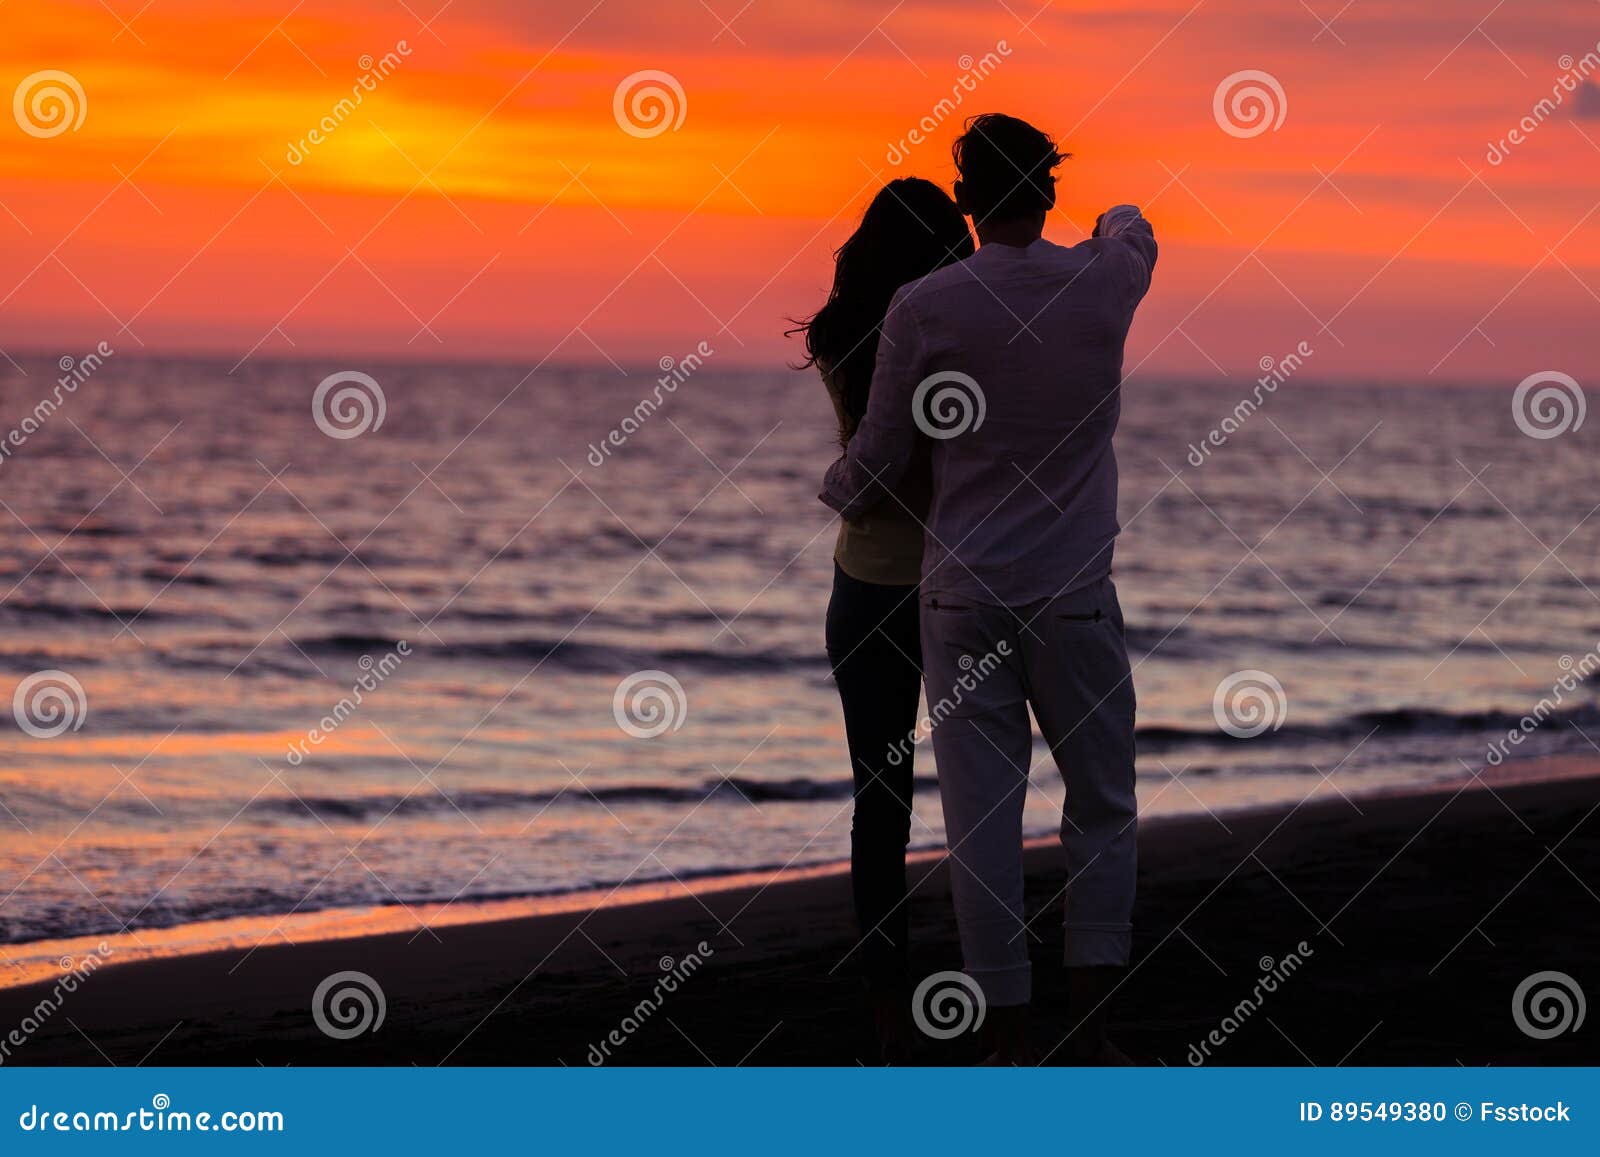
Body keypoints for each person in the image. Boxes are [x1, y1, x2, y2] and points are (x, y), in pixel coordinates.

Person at [819, 114, 1157, 1064]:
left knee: (981, 823)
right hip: (1074, 591)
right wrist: (1103, 219)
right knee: (1101, 802)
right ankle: (1090, 1015)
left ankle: (1007, 1031)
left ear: (966, 201)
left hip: (960, 597)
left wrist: (832, 491)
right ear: (1047, 193)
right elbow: (1136, 227)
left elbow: (880, 459)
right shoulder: (1105, 278)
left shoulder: (925, 306)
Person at [792, 177, 975, 1063]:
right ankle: (985, 991)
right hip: (950, 589)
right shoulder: (948, 338)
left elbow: (871, 469)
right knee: (981, 793)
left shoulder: (839, 333)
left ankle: (889, 1016)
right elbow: (917, 469)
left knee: (881, 806)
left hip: (864, 586)